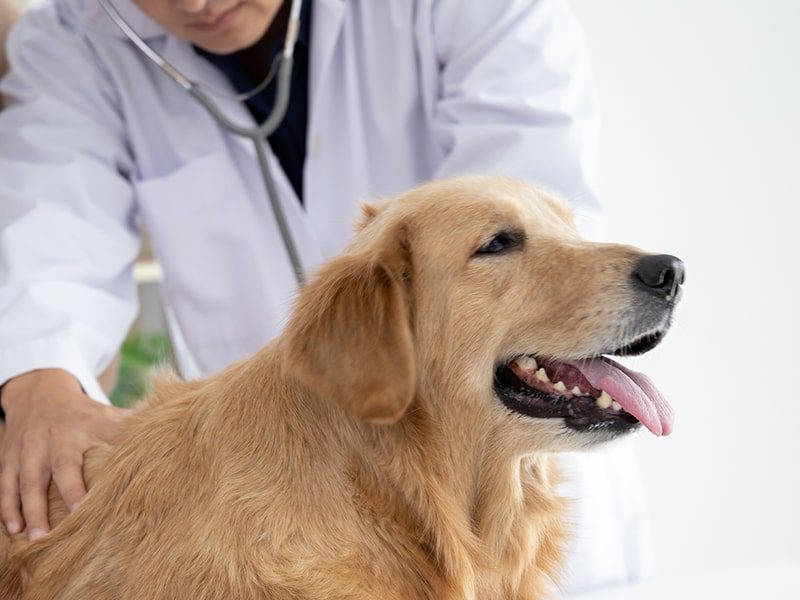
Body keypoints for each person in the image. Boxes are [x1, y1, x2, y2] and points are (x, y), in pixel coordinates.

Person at [0, 0, 653, 592]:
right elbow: (51, 232)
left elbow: (527, 207)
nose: (196, 2)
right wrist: (40, 377)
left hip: (507, 511)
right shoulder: (74, 44)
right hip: (274, 503)